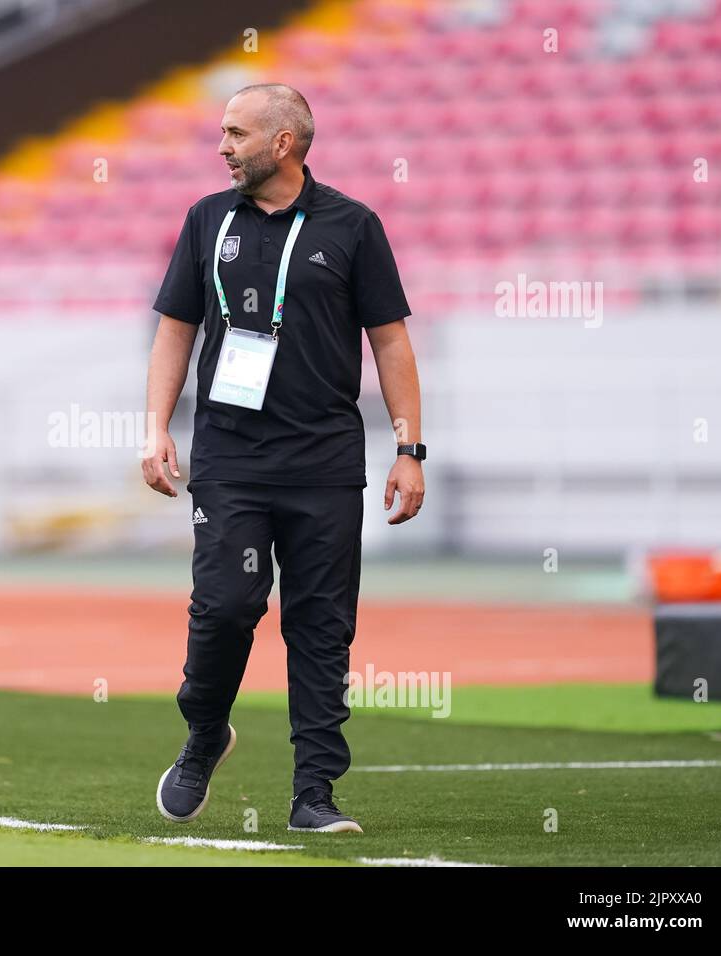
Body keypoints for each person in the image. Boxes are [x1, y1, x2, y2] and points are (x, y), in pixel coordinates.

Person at [143, 84, 425, 833]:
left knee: (322, 626)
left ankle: (314, 794)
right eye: (222, 132)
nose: (222, 144)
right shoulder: (208, 219)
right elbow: (176, 329)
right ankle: (205, 734)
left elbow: (390, 340)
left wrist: (409, 448)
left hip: (326, 463)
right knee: (228, 608)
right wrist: (156, 427)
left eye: (236, 132)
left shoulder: (353, 226)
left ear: (283, 143)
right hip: (231, 459)